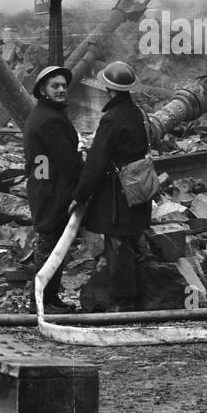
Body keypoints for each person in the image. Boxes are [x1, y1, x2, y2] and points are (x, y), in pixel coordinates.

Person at [72, 60, 152, 312]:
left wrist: (80, 195)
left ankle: (122, 302)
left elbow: (97, 161)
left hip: (118, 194)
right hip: (137, 188)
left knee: (118, 247)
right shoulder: (137, 112)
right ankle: (139, 298)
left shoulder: (112, 119)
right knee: (134, 243)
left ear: (109, 89)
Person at [23, 64, 83, 313]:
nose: (61, 90)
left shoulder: (46, 114)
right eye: (55, 86)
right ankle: (41, 303)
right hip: (52, 191)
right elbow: (67, 161)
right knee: (50, 245)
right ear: (43, 90)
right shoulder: (49, 120)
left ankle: (50, 299)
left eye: (63, 86)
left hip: (47, 188)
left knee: (56, 244)